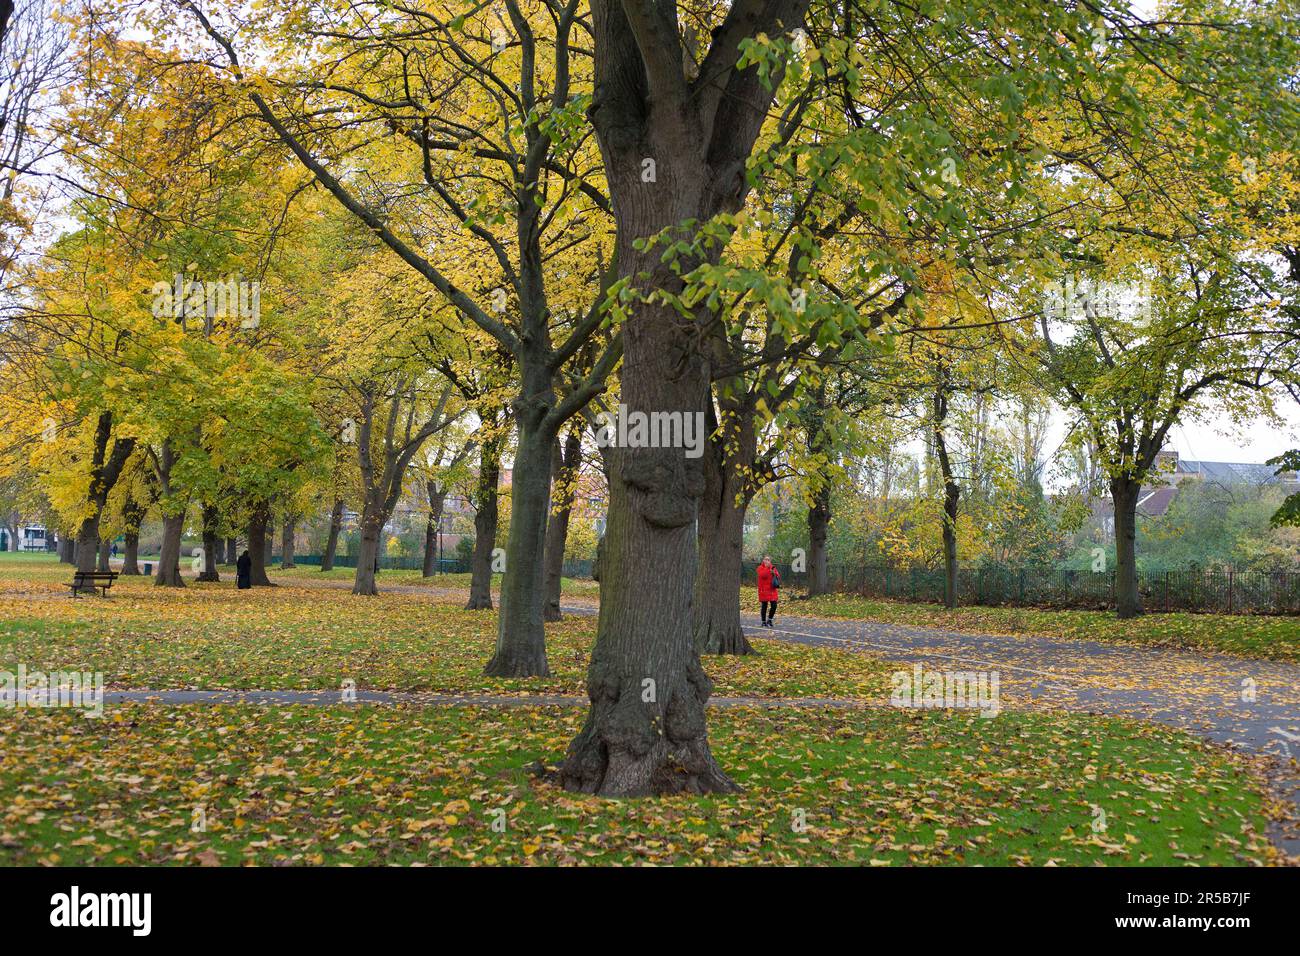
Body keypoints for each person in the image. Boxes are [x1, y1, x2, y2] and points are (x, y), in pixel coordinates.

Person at [757, 554, 780, 628]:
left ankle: (769, 619)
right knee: (764, 605)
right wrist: (767, 568)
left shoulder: (773, 568)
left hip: (772, 590)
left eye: (768, 560)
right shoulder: (760, 568)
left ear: (770, 561)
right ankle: (763, 622)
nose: (766, 561)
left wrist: (774, 573)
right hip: (764, 590)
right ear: (763, 560)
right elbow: (762, 575)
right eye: (765, 559)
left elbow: (778, 576)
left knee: (774, 605)